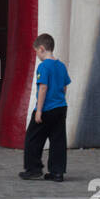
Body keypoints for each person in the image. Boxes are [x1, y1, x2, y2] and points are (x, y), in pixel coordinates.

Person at [18, 34, 71, 182]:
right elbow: (65, 86)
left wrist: (39, 110)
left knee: (32, 138)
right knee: (58, 140)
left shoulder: (43, 66)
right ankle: (57, 172)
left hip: (46, 108)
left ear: (41, 49)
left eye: (36, 52)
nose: (37, 55)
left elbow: (43, 88)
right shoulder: (61, 66)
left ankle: (34, 169)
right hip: (60, 107)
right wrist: (60, 100)